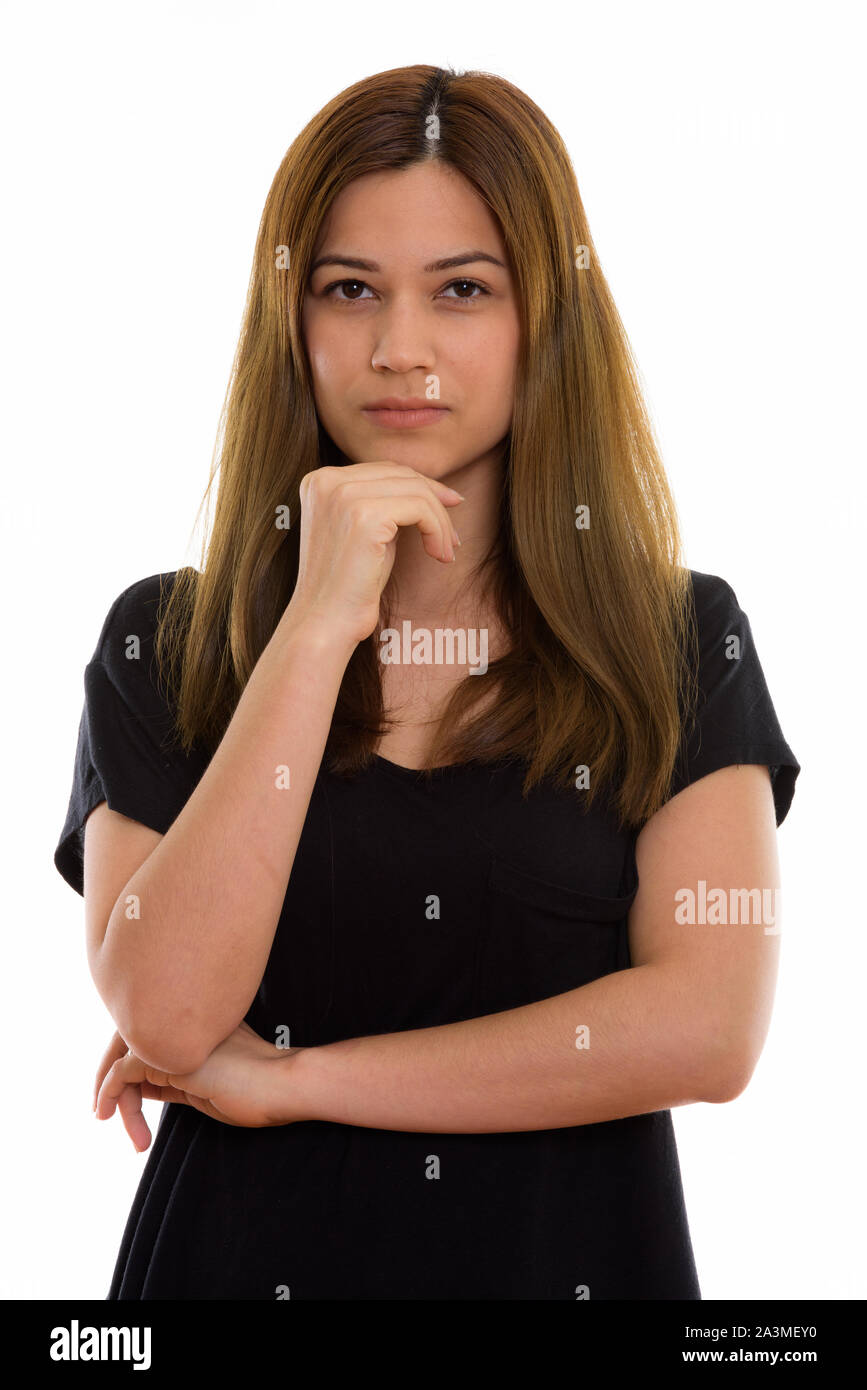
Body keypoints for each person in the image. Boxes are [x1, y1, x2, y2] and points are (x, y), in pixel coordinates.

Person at [54, 64, 800, 1301]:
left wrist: (297, 1081)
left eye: (463, 290)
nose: (401, 350)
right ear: (291, 319)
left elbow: (709, 1033)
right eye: (351, 291)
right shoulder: (168, 642)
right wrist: (317, 624)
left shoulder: (675, 637)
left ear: (545, 317)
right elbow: (173, 1015)